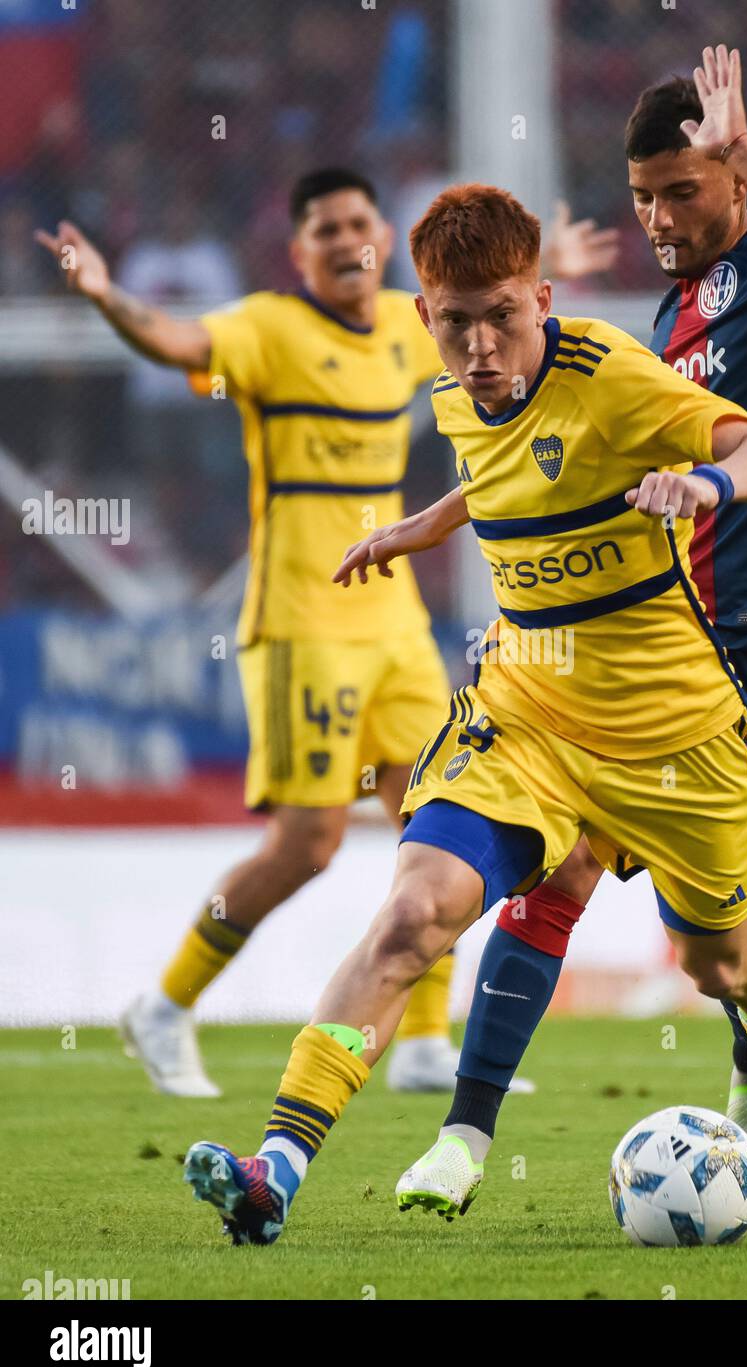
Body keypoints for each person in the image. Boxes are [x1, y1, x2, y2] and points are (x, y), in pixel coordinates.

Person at [178, 181, 747, 1248]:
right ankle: (276, 1168)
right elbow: (499, 471)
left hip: (668, 731)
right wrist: (417, 527)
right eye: (456, 323)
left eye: (502, 316)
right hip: (523, 715)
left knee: (719, 960)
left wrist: (709, 488)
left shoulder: (614, 380)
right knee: (413, 914)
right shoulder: (453, 391)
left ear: (541, 297)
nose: (482, 346)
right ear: (422, 318)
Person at [351, 45, 747, 1206]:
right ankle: (465, 1138)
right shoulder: (673, 308)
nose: (656, 214)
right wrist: (425, 526)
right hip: (657, 628)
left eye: (681, 190)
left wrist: (744, 147)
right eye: (642, 194)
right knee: (558, 868)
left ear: (732, 180)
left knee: (716, 946)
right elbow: (545, 466)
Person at [35, 169, 503, 1096]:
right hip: (302, 625)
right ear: (301, 253)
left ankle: (419, 1045)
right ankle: (163, 1006)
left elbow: (474, 320)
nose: (343, 239)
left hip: (396, 622)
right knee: (308, 846)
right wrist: (105, 297)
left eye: (357, 222)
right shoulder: (270, 329)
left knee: (444, 818)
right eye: (323, 228)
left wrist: (544, 267)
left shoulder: (409, 330)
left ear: (382, 234)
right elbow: (177, 339)